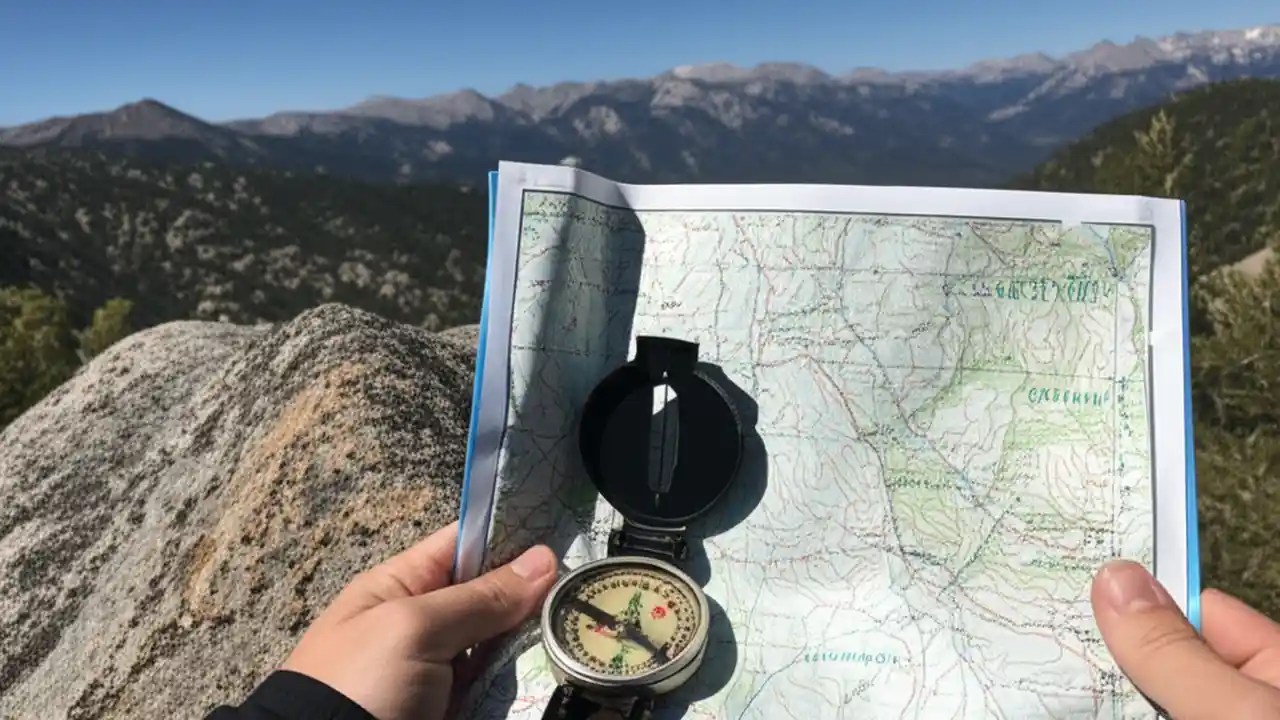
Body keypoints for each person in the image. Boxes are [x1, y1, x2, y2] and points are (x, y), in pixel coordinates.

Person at [206, 522, 1280, 720]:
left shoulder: (632, 619)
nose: (632, 635)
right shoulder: (623, 638)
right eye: (628, 630)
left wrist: (304, 713)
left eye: (636, 633)